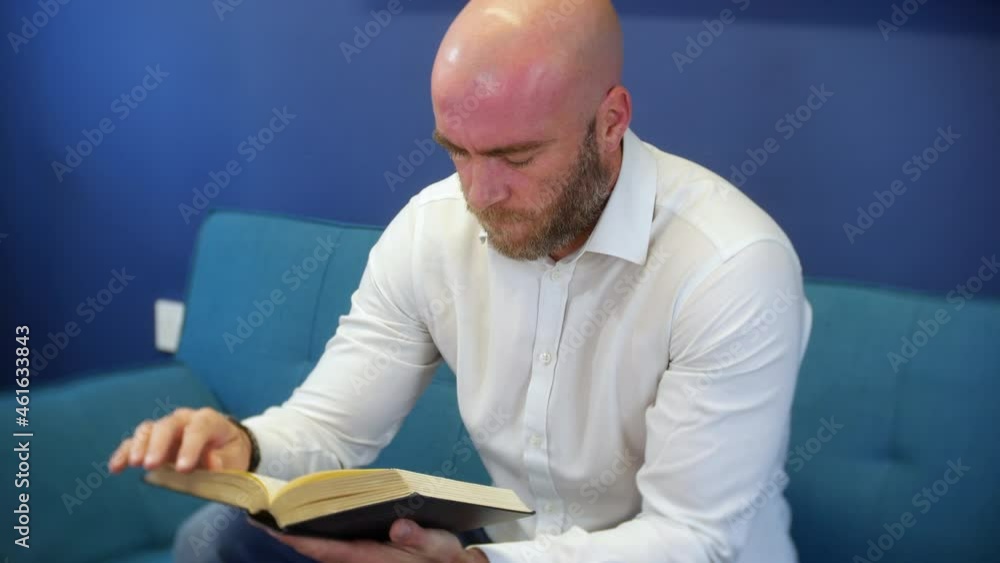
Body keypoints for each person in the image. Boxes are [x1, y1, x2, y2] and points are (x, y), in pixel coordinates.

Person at [109, 0, 813, 561]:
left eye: (516, 156)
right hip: (507, 551)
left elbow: (694, 538)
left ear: (611, 122)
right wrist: (246, 447)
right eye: (458, 153)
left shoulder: (730, 265)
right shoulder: (431, 229)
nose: (481, 191)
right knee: (217, 537)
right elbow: (330, 426)